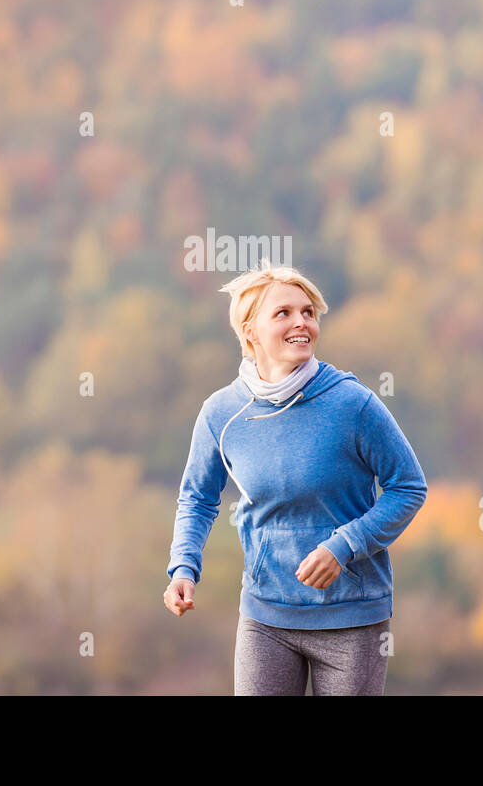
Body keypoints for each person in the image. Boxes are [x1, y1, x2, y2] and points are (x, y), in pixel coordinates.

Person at [164, 258, 427, 695]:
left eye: (308, 312)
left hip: (353, 619)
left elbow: (408, 487)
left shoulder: (352, 404)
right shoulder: (221, 413)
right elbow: (197, 499)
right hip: (265, 617)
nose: (301, 322)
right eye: (283, 313)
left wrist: (344, 546)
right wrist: (183, 568)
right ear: (250, 331)